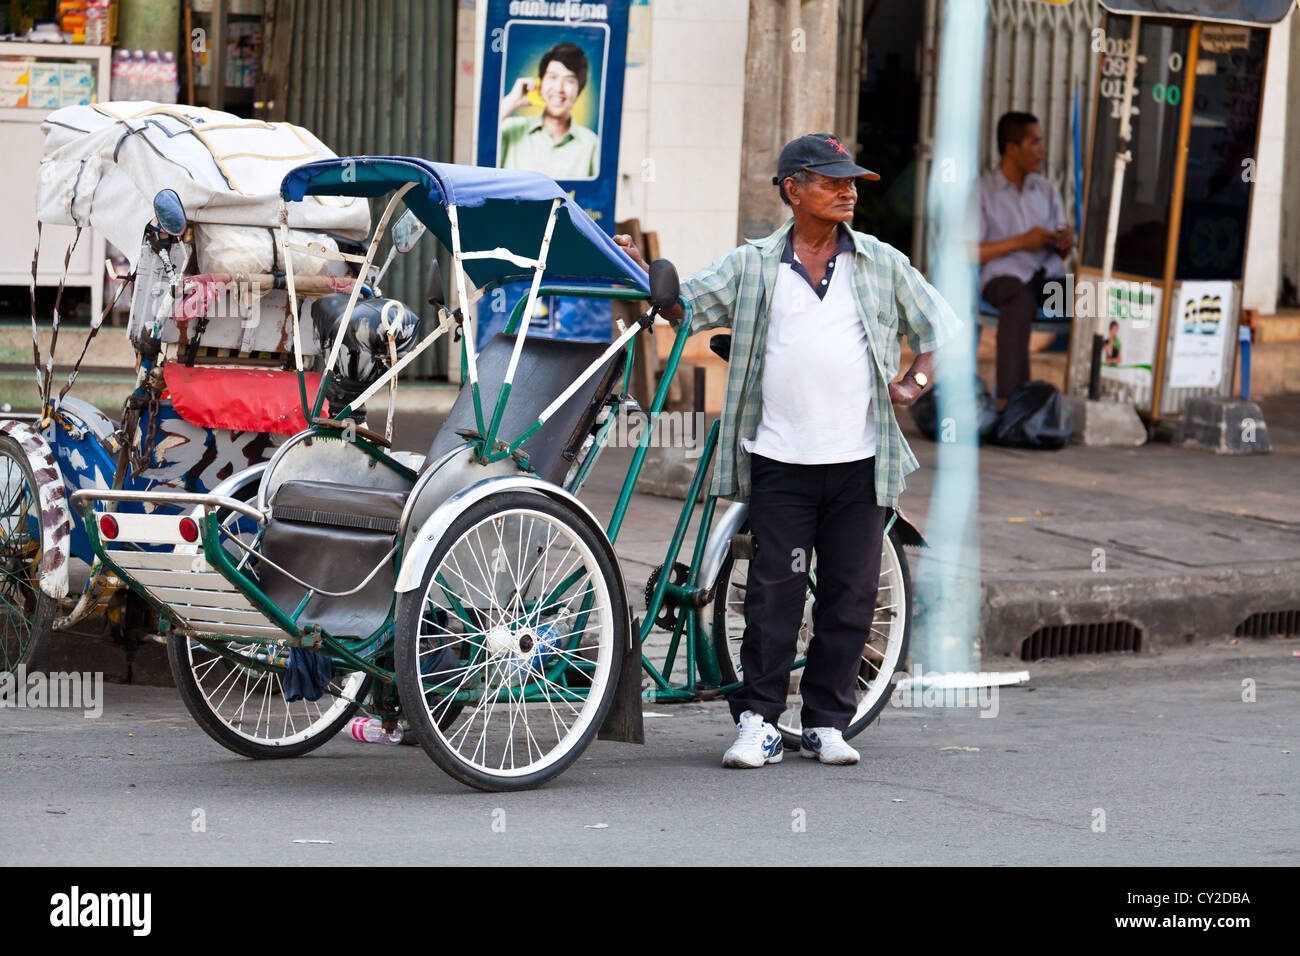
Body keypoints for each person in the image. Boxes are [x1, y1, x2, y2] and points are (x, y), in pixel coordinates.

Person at [615, 133, 960, 769]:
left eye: (851, 181)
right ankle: (759, 722)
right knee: (775, 595)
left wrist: (915, 381)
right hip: (780, 460)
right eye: (832, 181)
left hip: (861, 461)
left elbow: (940, 325)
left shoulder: (879, 262)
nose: (848, 191)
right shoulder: (753, 265)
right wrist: (634, 269)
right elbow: (681, 306)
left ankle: (829, 722)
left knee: (849, 596)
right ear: (793, 190)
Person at [977, 111, 1073, 407]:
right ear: (1012, 148)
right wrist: (1021, 241)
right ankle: (1010, 400)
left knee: (1094, 297)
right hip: (1002, 280)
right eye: (1035, 143)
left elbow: (1063, 249)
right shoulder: (981, 191)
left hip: (1047, 281)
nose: (1042, 151)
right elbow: (968, 250)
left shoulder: (1046, 190)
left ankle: (1093, 392)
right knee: (1019, 300)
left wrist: (1064, 243)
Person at [498, 41, 599, 180]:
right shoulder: (510, 129)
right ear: (540, 82)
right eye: (552, 77)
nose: (559, 88)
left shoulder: (591, 144)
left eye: (569, 80)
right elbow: (480, 141)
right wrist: (512, 101)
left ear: (579, 90)